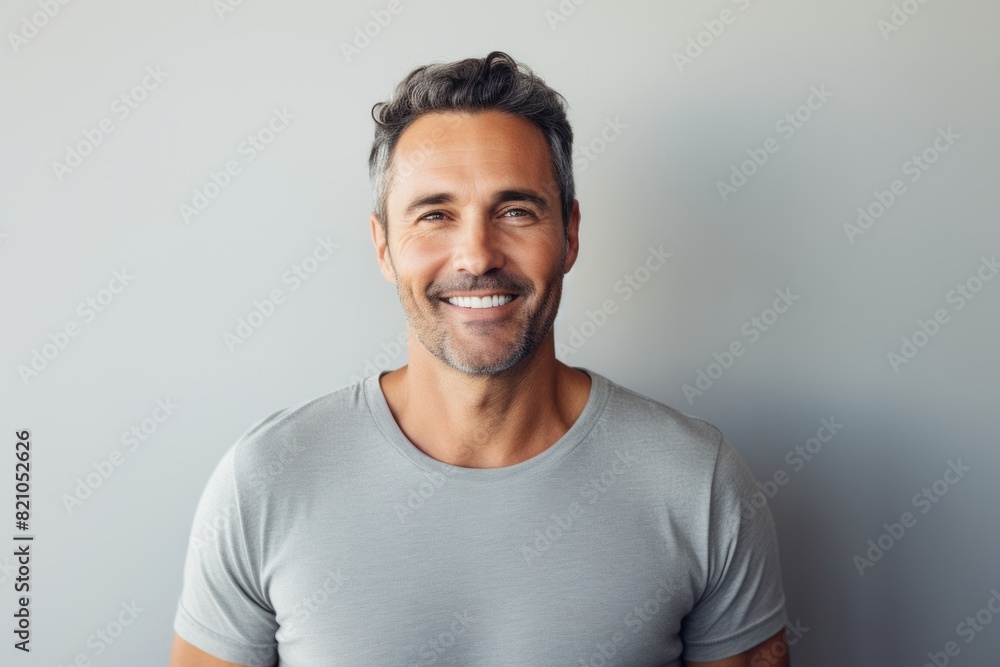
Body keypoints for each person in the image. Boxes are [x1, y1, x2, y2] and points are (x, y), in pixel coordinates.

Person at [170, 51, 790, 667]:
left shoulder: (697, 482)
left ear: (570, 235)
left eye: (516, 211)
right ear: (384, 247)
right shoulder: (267, 479)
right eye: (435, 215)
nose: (476, 255)